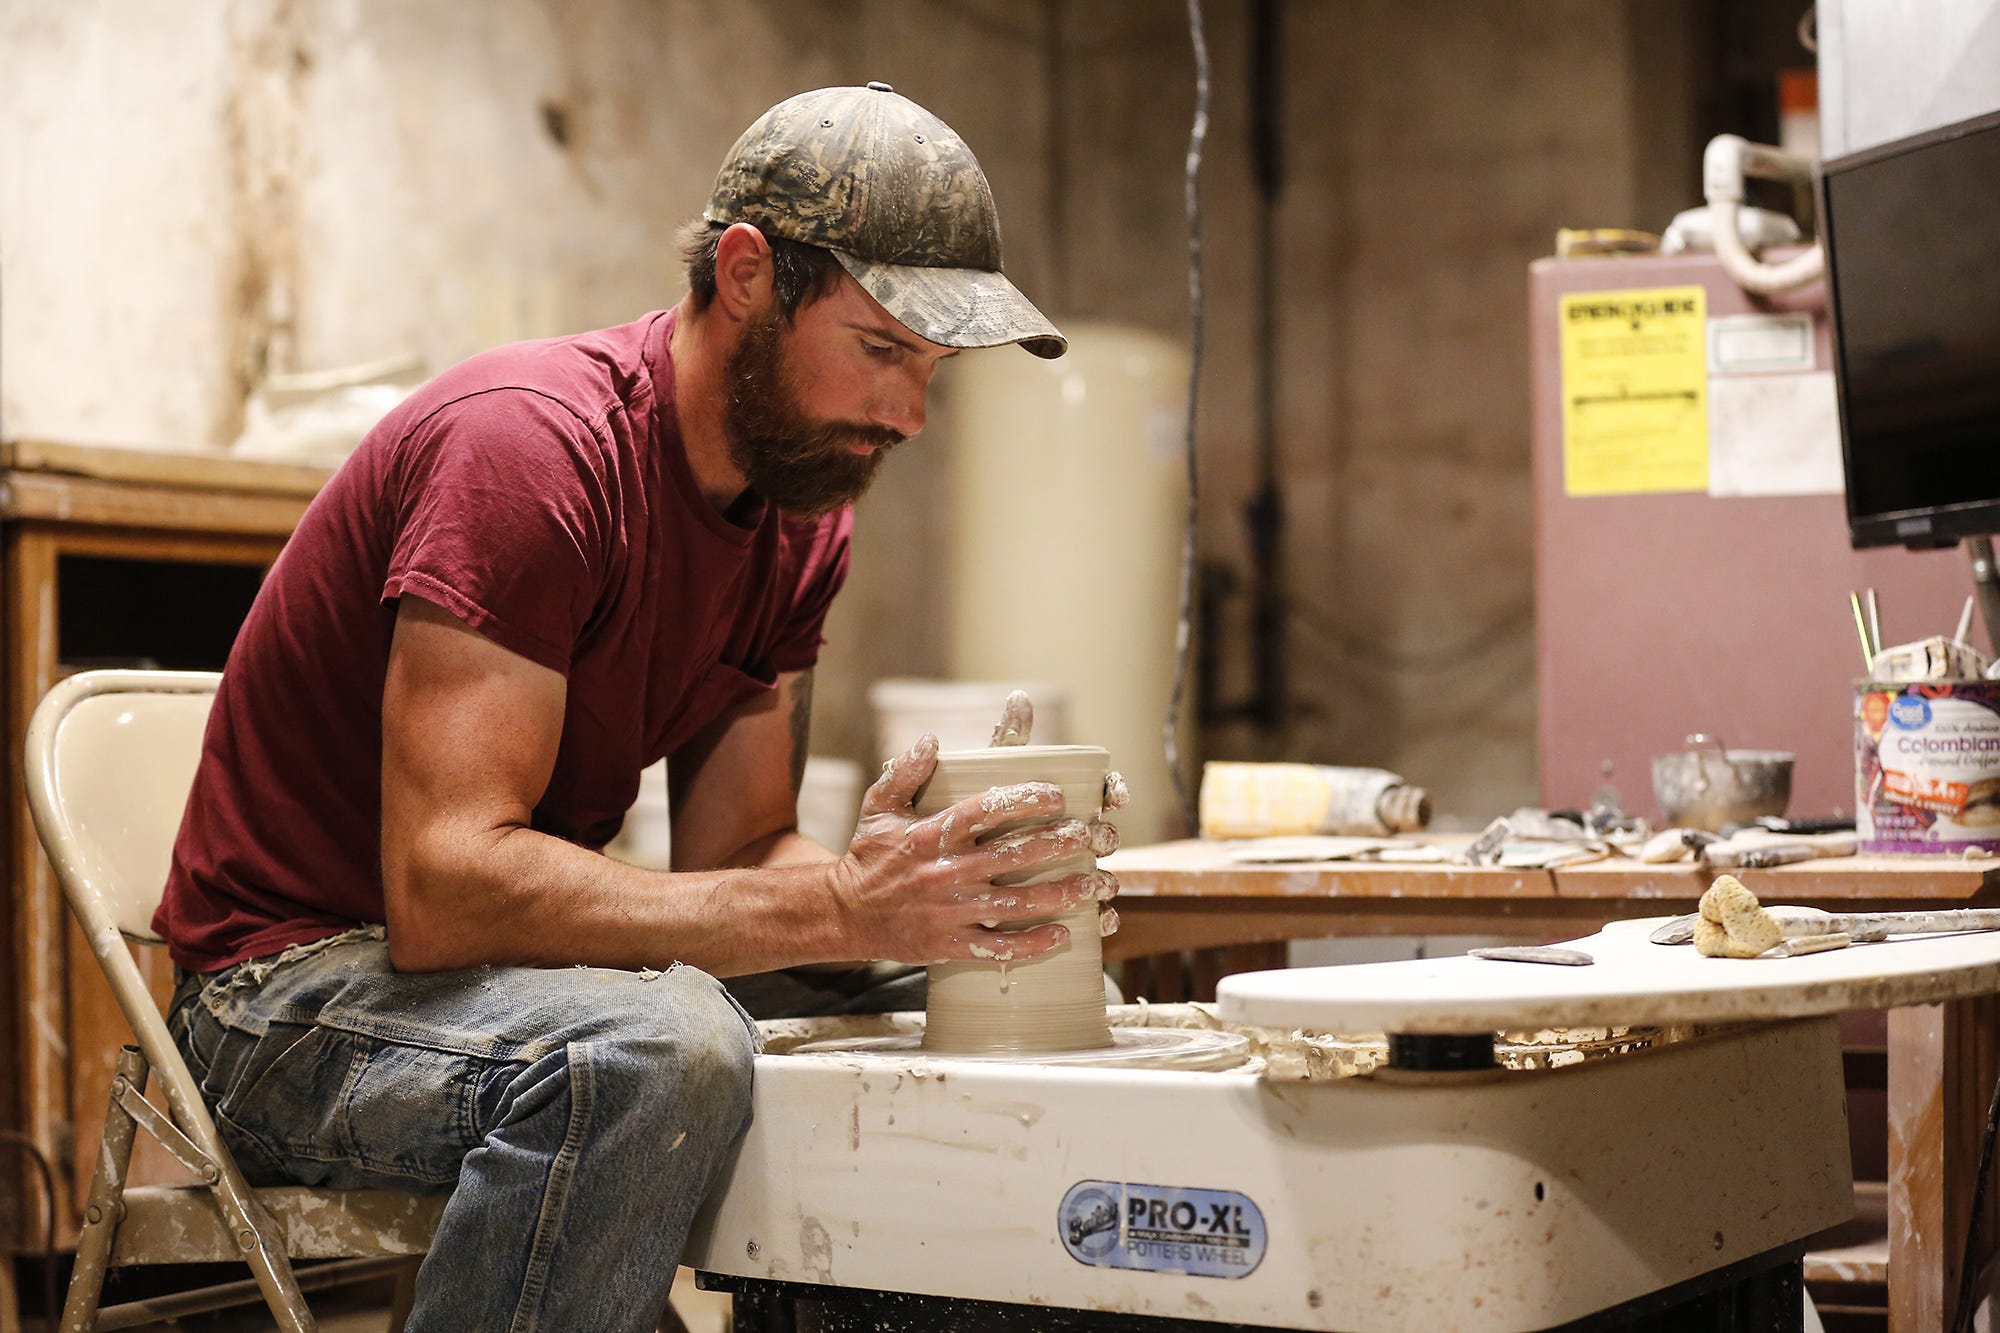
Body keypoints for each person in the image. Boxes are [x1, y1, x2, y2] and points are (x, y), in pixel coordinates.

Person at [154, 82, 1121, 1332]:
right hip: (286, 996)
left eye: (931, 368)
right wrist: (831, 902)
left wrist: (922, 889)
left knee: (991, 985)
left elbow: (740, 848)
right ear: (746, 275)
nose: (908, 415)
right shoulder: (527, 453)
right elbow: (447, 890)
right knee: (658, 1050)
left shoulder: (795, 510)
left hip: (508, 975)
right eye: (882, 349)